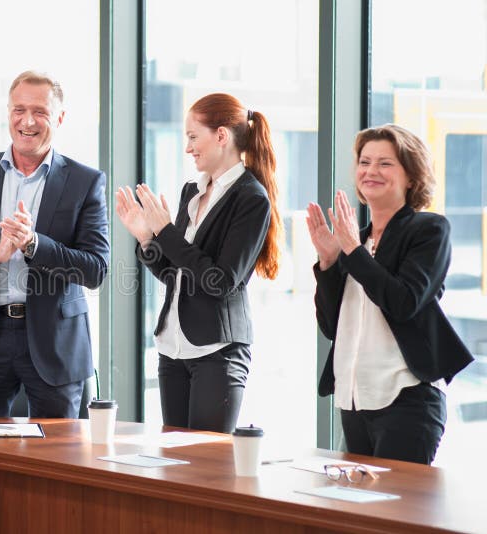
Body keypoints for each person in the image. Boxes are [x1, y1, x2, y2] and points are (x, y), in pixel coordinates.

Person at [0, 71, 110, 418]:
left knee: (59, 460)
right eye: (18, 110)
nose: (28, 121)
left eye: (40, 111)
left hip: (55, 343)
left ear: (59, 117)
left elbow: (95, 269)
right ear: (8, 113)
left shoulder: (85, 182)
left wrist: (34, 244)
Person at [306, 124, 474, 464]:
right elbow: (331, 326)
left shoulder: (428, 230)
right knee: (358, 514)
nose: (371, 171)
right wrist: (328, 262)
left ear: (411, 176)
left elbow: (403, 301)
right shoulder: (357, 239)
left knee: (394, 512)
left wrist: (352, 253)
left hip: (406, 399)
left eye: (385, 163)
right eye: (365, 162)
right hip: (354, 399)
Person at [116, 93, 282, 433]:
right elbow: (175, 274)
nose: (188, 148)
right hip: (172, 349)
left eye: (193, 136)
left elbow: (220, 282)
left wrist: (165, 231)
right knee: (175, 464)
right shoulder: (192, 191)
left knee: (207, 467)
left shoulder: (250, 198)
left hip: (218, 352)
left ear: (221, 136)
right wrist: (147, 238)